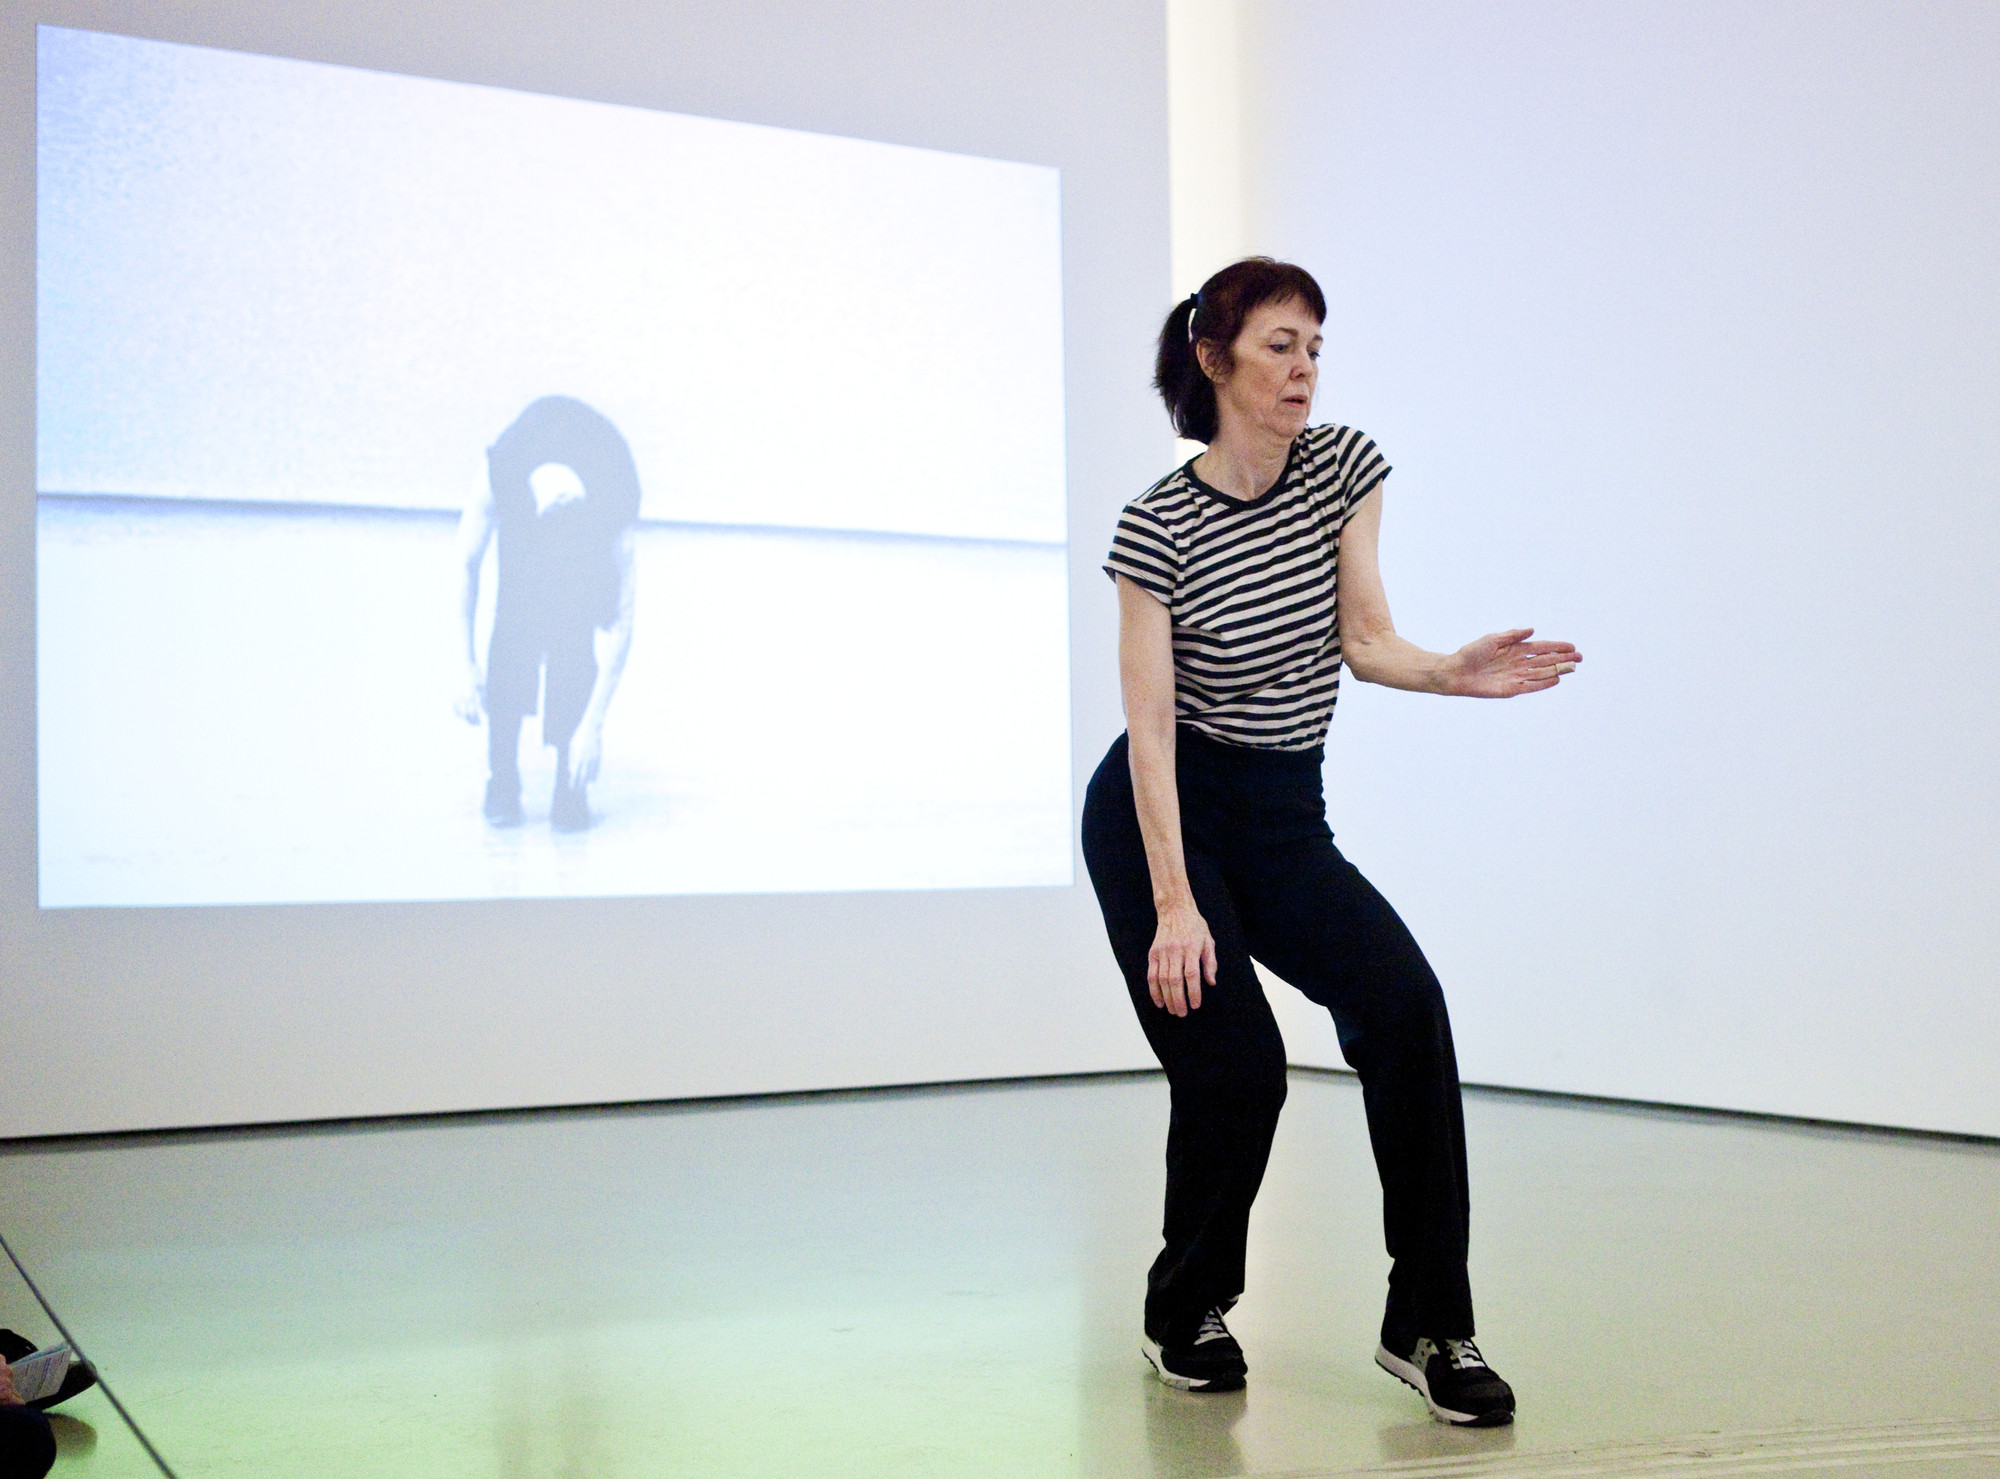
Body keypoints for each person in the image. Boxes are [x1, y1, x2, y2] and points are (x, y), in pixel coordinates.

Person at [1081, 258, 1580, 1426]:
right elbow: (1147, 733)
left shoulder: (1344, 469)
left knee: (1403, 1008)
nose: (1304, 368)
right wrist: (1172, 904)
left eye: (1314, 345)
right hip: (1163, 814)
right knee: (1239, 1067)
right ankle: (1183, 1307)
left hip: (1280, 812)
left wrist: (1447, 671)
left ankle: (1428, 1324)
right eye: (1277, 347)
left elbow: (1365, 639)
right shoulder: (1153, 527)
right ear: (1212, 362)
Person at [455, 396, 641, 831]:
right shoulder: (503, 468)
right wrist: (464, 667)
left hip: (586, 539)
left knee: (572, 634)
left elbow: (623, 621)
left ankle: (569, 781)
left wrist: (593, 725)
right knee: (513, 622)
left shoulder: (616, 489)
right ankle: (501, 775)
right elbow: (466, 564)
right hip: (525, 524)